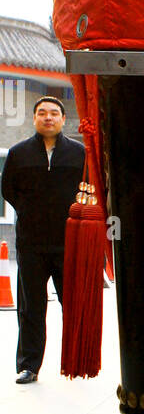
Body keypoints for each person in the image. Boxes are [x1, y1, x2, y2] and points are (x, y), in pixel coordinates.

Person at [0, 96, 85, 383]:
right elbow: (8, 189)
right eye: (42, 113)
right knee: (30, 308)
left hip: (68, 241)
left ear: (62, 119)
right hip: (31, 243)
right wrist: (29, 211)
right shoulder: (19, 153)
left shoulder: (79, 153)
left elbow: (90, 187)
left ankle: (76, 362)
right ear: (35, 118)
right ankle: (29, 365)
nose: (48, 117)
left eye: (53, 113)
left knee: (72, 305)